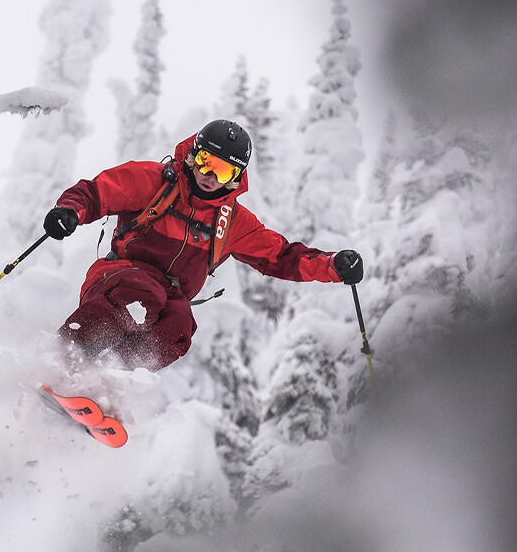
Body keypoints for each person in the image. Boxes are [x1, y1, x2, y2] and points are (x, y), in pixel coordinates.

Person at [43, 119, 363, 372]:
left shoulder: (232, 221)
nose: (210, 175)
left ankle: (109, 378)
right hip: (118, 276)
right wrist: (71, 211)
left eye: (223, 170)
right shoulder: (156, 181)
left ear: (236, 177)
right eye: (206, 160)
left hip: (170, 293)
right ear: (194, 155)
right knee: (143, 292)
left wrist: (332, 265)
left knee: (179, 329)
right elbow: (97, 191)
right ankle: (63, 357)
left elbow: (281, 256)